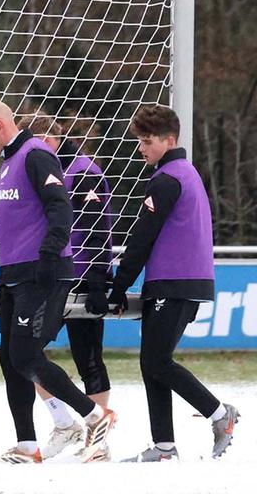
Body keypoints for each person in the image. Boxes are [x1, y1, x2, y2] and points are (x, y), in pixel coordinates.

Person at [0, 100, 116, 463]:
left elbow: (60, 207)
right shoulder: (7, 164)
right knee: (9, 358)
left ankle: (95, 416)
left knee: (25, 355)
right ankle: (28, 445)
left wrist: (50, 254)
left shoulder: (36, 155)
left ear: (1, 125)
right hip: (16, 275)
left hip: (42, 272)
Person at [111, 105, 239, 462]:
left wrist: (119, 285)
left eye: (147, 141)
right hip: (179, 280)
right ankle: (164, 446)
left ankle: (218, 414)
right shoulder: (186, 172)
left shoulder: (167, 178)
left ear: (169, 141)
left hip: (176, 281)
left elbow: (142, 237)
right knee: (152, 361)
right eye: (139, 141)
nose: (141, 148)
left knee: (156, 362)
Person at [21, 114, 114, 458]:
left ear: (49, 140)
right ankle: (65, 423)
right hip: (56, 273)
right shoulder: (45, 170)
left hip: (83, 275)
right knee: (27, 353)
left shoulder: (83, 171)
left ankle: (99, 440)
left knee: (87, 357)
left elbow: (95, 227)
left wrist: (98, 281)